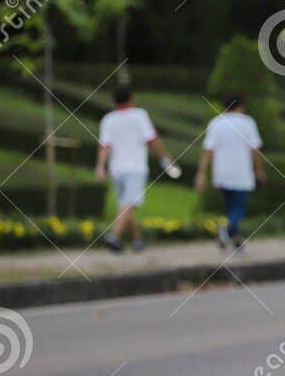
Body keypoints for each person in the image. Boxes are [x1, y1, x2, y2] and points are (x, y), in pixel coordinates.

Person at [94, 85, 178, 252]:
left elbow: (104, 146)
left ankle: (136, 240)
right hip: (136, 168)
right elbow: (152, 140)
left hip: (116, 169)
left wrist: (100, 167)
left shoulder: (108, 119)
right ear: (131, 99)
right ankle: (114, 236)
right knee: (129, 203)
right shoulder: (140, 115)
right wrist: (165, 157)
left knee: (126, 206)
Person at [194, 97, 265, 250]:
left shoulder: (216, 123)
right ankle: (226, 230)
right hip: (242, 172)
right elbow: (255, 150)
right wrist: (259, 170)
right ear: (240, 107)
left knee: (230, 207)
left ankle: (236, 240)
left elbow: (207, 152)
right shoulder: (247, 122)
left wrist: (201, 174)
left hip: (222, 173)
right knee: (239, 208)